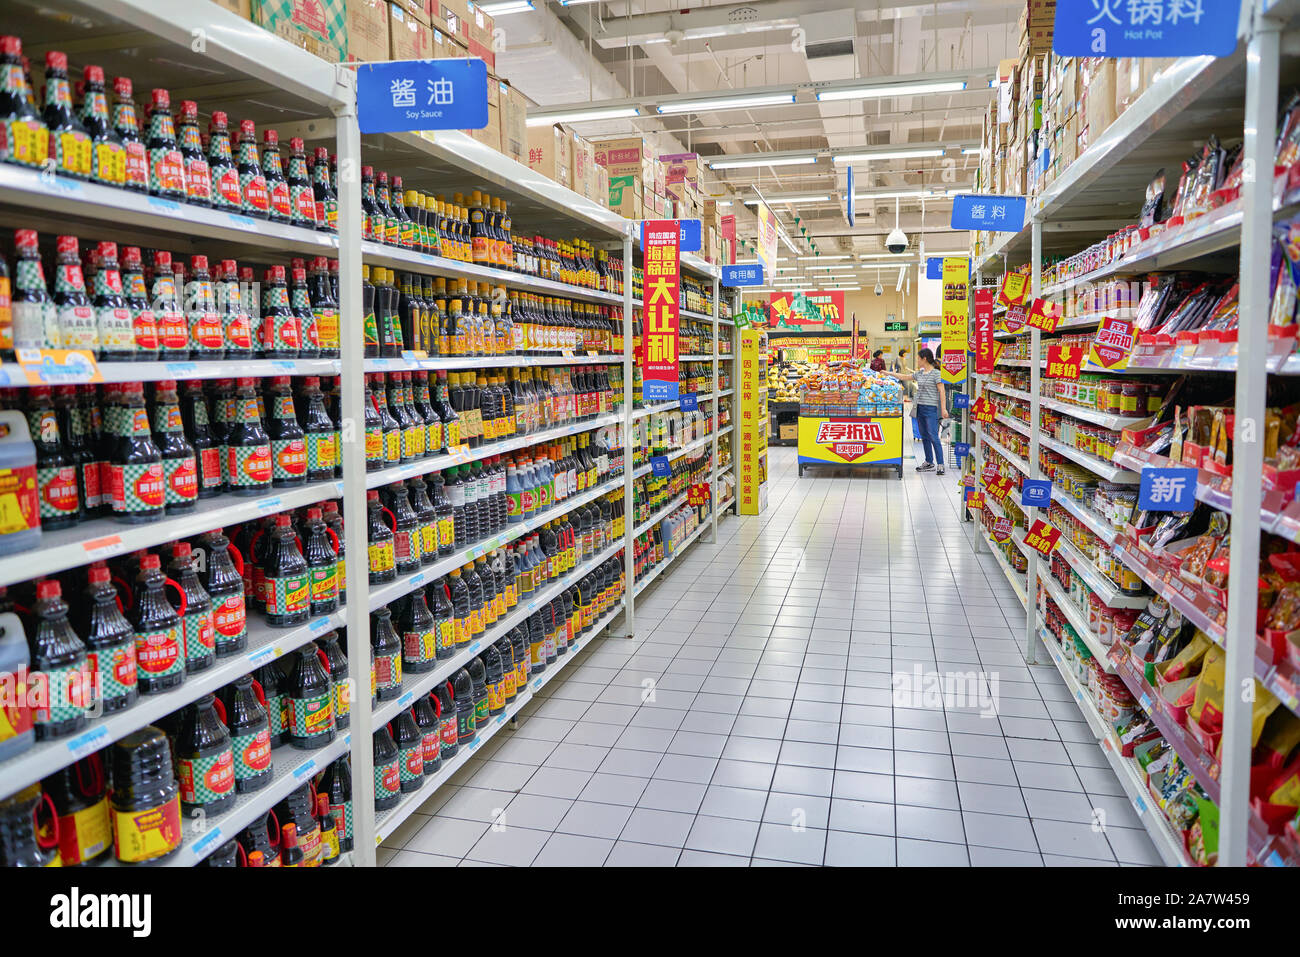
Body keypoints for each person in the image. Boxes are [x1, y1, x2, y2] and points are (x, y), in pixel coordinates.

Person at [891, 348, 948, 474]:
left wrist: (943, 409)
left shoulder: (936, 374)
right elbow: (905, 376)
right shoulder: (920, 373)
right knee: (924, 436)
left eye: (918, 358)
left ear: (924, 359)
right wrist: (890, 374)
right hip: (919, 408)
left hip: (931, 408)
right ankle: (929, 462)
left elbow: (942, 392)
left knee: (933, 436)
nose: (917, 360)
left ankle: (940, 464)